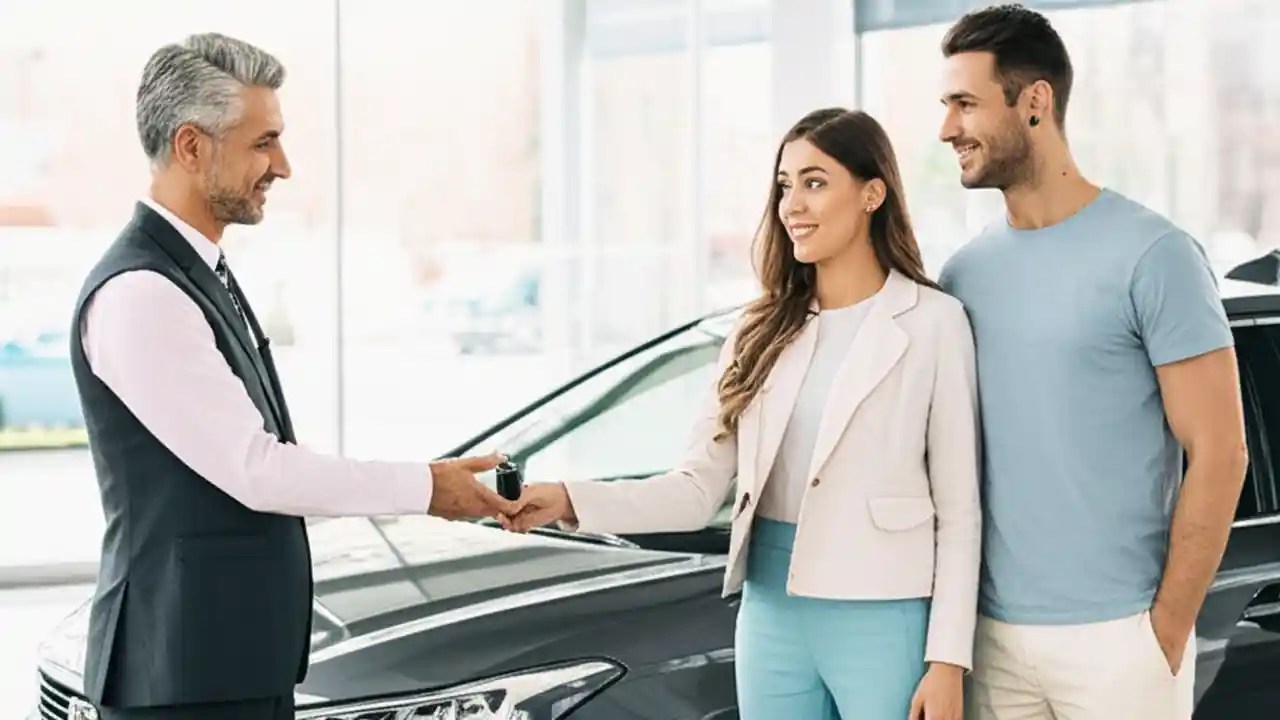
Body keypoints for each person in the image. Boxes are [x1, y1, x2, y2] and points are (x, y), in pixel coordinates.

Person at [70, 33, 516, 719]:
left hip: (222, 663)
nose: (283, 166)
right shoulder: (143, 294)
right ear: (191, 147)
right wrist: (426, 487)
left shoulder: (196, 272)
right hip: (182, 678)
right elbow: (258, 470)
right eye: (262, 142)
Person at [503, 108, 981, 720]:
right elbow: (693, 491)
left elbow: (961, 512)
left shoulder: (933, 322)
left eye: (815, 182)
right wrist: (568, 498)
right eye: (784, 185)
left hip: (883, 617)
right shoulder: (758, 330)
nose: (792, 205)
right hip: (770, 615)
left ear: (871, 193)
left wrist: (947, 662)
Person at [935, 5, 1249, 719]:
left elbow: (1221, 451)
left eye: (964, 103)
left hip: (1121, 641)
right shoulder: (962, 276)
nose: (947, 128)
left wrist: (1165, 627)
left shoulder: (1154, 254)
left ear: (1035, 102)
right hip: (991, 642)